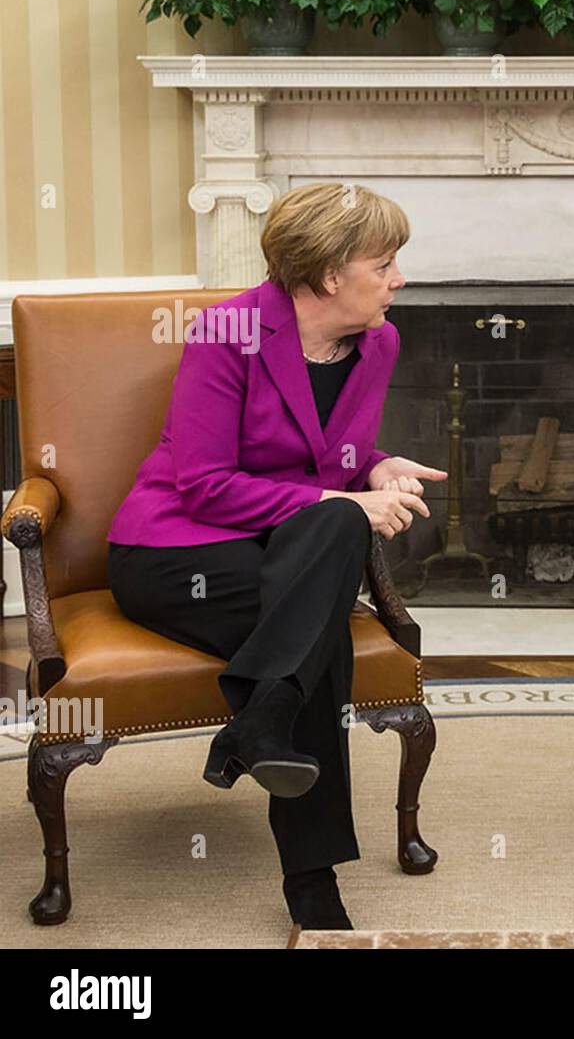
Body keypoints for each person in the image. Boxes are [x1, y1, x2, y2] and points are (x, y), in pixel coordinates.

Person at [107, 182, 444, 930]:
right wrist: (344, 501)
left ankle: (265, 721)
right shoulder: (227, 333)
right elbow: (203, 486)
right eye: (385, 264)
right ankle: (312, 883)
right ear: (330, 275)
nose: (399, 281)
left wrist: (375, 466)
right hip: (175, 554)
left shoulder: (377, 342)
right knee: (321, 612)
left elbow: (329, 459)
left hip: (285, 553)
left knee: (336, 538)